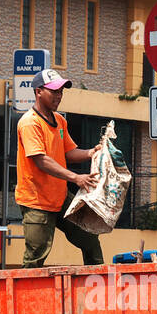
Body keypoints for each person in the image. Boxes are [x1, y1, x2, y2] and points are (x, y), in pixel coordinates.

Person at [15, 68, 103, 268]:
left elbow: (68, 153)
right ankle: (27, 296)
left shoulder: (59, 120)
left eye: (61, 91)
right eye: (54, 91)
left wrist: (91, 152)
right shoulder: (30, 123)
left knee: (89, 237)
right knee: (36, 255)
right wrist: (76, 178)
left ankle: (98, 285)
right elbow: (41, 160)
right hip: (36, 201)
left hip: (60, 196)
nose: (59, 95)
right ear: (38, 92)